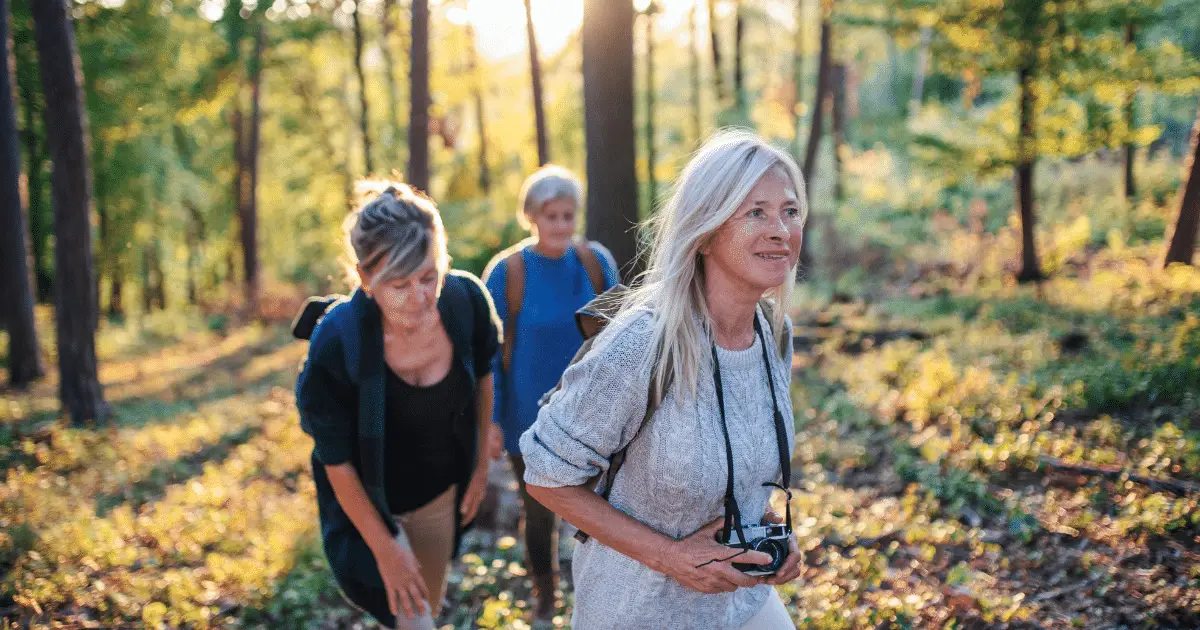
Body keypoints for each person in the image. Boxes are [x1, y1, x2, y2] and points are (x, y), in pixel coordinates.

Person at [518, 130, 807, 629]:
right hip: (640, 612)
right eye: (755, 212)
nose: (780, 229)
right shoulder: (645, 342)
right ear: (707, 231)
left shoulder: (773, 334)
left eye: (790, 211)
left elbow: (739, 459)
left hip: (740, 603)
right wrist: (670, 556)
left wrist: (771, 530)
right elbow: (545, 473)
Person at [295, 182, 502, 630]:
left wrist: (482, 464)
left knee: (424, 603)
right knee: (414, 621)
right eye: (399, 284)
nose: (421, 297)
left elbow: (484, 375)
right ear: (365, 279)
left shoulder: (466, 302)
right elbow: (336, 461)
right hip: (366, 503)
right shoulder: (336, 342)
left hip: (439, 494)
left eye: (429, 276)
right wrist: (387, 549)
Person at [482, 164, 620, 622]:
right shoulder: (508, 273)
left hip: (592, 412)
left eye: (568, 215)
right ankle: (545, 596)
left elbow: (623, 338)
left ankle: (596, 598)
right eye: (551, 216)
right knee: (540, 511)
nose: (561, 225)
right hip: (530, 417)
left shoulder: (596, 263)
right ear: (532, 217)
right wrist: (492, 422)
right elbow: (488, 355)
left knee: (599, 512)